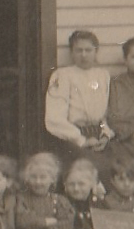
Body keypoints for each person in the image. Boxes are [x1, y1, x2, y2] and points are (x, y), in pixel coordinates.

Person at [44, 28, 113, 170]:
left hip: (99, 135)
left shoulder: (103, 75)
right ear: (71, 52)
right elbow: (54, 118)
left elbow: (106, 114)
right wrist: (81, 140)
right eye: (78, 50)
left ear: (96, 52)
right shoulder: (62, 75)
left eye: (88, 50)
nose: (84, 55)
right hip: (73, 136)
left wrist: (105, 135)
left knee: (121, 164)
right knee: (95, 167)